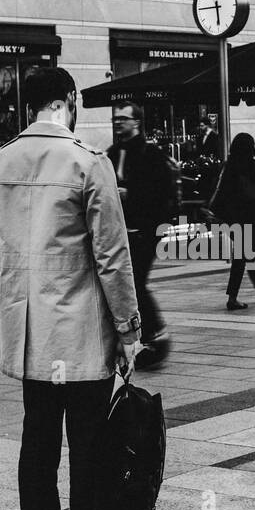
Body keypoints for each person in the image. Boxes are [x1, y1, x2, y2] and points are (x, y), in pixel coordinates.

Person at [0, 67, 139, 510]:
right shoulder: (88, 163)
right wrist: (128, 328)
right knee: (88, 447)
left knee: (38, 448)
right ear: (69, 100)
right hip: (80, 335)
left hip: (30, 337)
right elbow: (112, 257)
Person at [109, 100, 175, 368]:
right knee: (125, 285)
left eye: (123, 118)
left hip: (145, 230)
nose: (118, 122)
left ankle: (156, 335)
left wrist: (129, 194)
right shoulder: (111, 153)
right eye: (116, 118)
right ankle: (138, 337)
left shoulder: (150, 154)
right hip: (120, 232)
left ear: (136, 122)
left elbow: (160, 193)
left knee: (135, 283)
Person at [208, 132, 255, 310]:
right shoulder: (253, 165)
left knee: (247, 253)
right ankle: (232, 297)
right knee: (242, 256)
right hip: (250, 217)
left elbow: (221, 192)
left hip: (231, 218)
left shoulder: (229, 166)